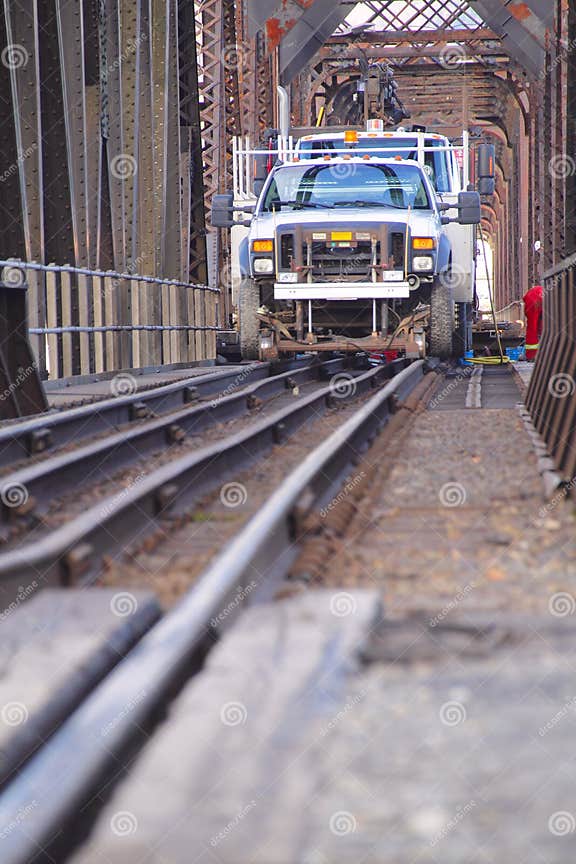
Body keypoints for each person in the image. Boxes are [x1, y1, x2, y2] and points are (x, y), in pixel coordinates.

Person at [523, 284, 543, 361]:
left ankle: (532, 354)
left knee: (535, 328)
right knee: (533, 328)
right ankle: (531, 355)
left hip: (535, 298)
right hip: (534, 300)